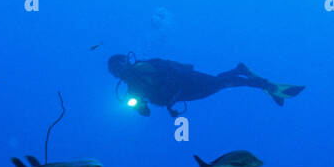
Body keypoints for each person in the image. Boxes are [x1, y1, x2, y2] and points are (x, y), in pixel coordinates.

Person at [107, 53, 303, 117]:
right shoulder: (131, 88)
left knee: (221, 84)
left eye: (119, 65)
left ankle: (264, 85)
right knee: (218, 84)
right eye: (114, 71)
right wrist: (139, 105)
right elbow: (146, 112)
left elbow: (165, 73)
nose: (118, 71)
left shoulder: (140, 67)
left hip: (187, 82)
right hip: (185, 93)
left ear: (126, 62)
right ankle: (239, 69)